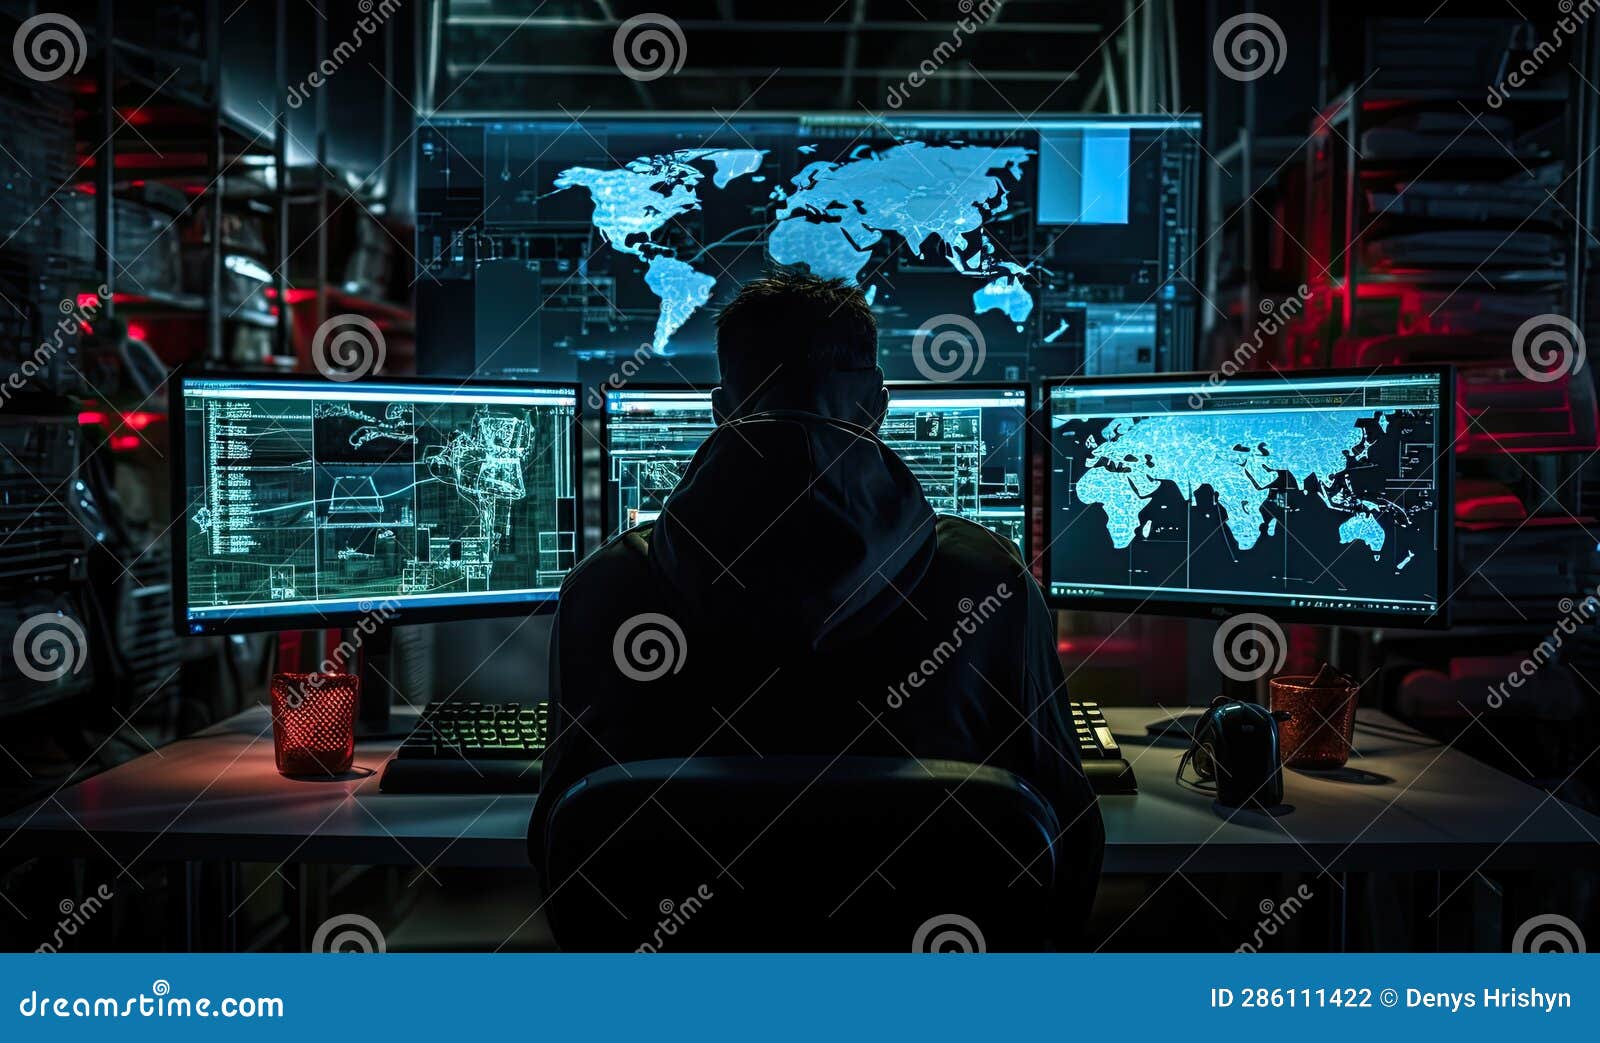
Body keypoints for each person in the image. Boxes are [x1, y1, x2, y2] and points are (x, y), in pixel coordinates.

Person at [529, 269, 1103, 941]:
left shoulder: (604, 590)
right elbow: (1068, 839)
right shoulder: (993, 586)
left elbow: (558, 847)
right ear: (877, 406)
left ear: (720, 408)